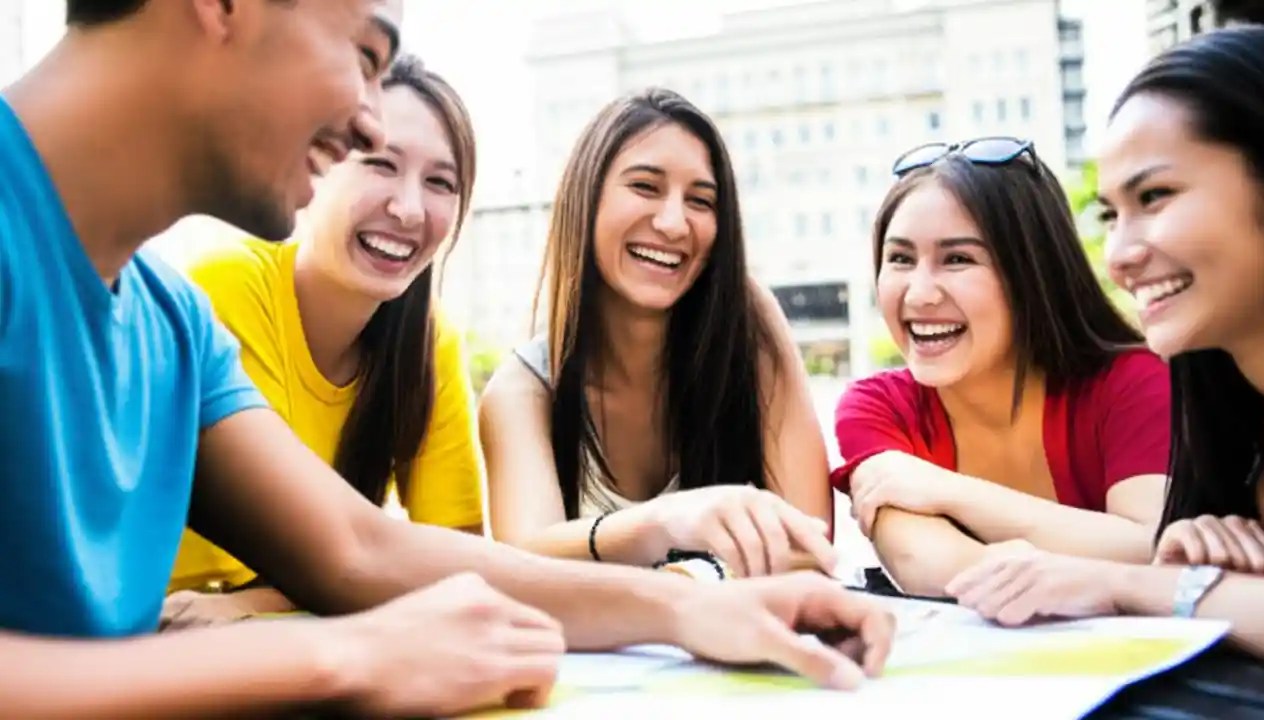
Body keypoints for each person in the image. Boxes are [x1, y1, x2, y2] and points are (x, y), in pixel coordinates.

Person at [0, 1, 896, 716]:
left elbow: (359, 548)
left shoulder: (172, 326)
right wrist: (336, 657)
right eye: (364, 51)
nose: (361, 119)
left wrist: (693, 611)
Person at [944, 26, 1264, 664]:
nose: (1120, 255)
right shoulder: (1225, 413)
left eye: (1155, 197)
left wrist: (1135, 584)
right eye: (1110, 215)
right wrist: (1212, 569)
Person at [162, 56, 485, 626]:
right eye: (381, 164)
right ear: (319, 166)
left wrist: (259, 605)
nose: (408, 209)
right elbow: (284, 554)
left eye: (440, 182)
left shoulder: (428, 342)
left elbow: (457, 567)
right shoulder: (230, 283)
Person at [479, 88, 836, 580]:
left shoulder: (747, 324)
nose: (673, 223)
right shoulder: (522, 390)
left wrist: (680, 569)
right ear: (586, 198)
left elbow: (810, 544)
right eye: (645, 187)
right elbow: (525, 561)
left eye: (701, 200)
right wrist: (668, 523)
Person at [831, 136, 1170, 596]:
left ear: (1032, 273)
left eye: (957, 259)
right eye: (900, 259)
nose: (919, 293)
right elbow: (919, 561)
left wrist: (946, 490)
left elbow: (1156, 548)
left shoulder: (1134, 382)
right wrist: (1092, 563)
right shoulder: (879, 406)